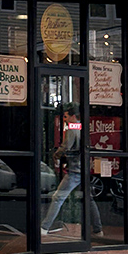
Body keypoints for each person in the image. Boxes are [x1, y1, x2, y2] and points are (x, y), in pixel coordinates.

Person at [41, 102, 103, 238]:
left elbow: (66, 147)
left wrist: (56, 154)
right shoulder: (82, 127)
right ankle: (98, 229)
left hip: (75, 170)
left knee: (58, 198)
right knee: (89, 199)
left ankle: (44, 227)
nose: (65, 119)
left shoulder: (72, 128)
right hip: (84, 168)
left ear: (73, 116)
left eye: (66, 116)